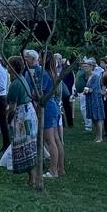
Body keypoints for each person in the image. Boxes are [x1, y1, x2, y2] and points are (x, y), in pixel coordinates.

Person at [2, 55, 43, 191]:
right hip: (28, 112)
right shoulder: (23, 79)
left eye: (8, 65)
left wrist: (7, 118)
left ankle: (32, 177)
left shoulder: (15, 84)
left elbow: (13, 107)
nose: (7, 67)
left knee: (25, 146)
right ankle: (33, 176)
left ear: (12, 67)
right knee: (29, 145)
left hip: (22, 117)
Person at [37, 50, 66, 180]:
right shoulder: (53, 73)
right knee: (56, 139)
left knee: (50, 140)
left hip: (48, 108)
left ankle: (53, 170)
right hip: (54, 106)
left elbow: (39, 92)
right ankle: (60, 168)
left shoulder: (44, 74)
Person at [83, 57, 105, 144]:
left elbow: (91, 89)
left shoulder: (95, 76)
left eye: (87, 66)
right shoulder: (88, 76)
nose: (85, 68)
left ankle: (100, 137)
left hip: (95, 99)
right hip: (90, 98)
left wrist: (86, 90)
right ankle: (97, 135)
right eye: (84, 66)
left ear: (91, 67)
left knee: (98, 117)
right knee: (93, 118)